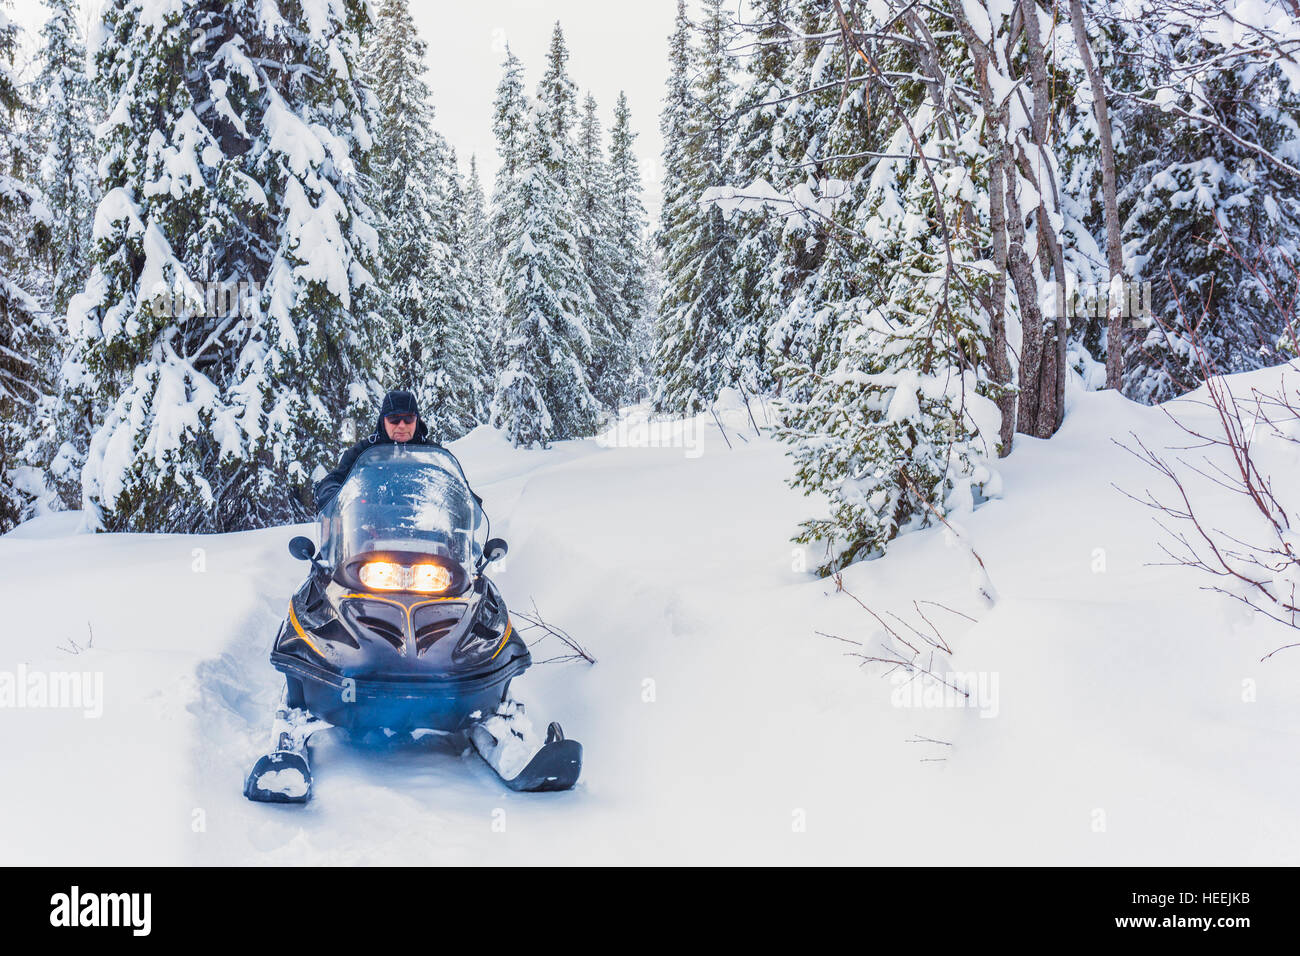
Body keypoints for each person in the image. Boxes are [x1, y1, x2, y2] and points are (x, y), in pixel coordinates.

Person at [313, 389, 439, 512]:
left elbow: (451, 486)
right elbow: (334, 479)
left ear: (417, 420)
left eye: (408, 419)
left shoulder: (433, 454)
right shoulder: (363, 451)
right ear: (383, 420)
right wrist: (335, 500)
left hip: (423, 526)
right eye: (394, 419)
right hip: (371, 526)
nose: (401, 425)